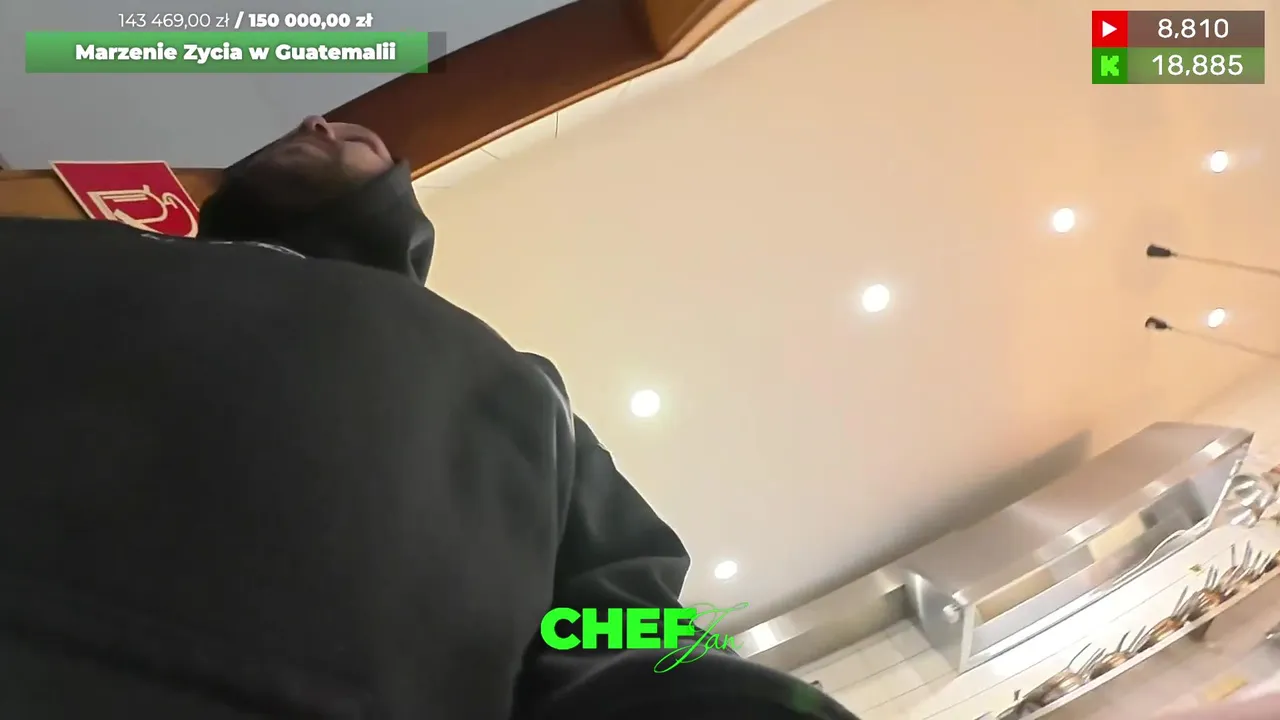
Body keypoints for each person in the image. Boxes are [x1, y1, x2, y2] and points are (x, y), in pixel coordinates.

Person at [0, 116, 857, 720]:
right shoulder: (92, 248)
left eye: (358, 134)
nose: (318, 121)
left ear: (399, 202)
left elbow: (625, 622)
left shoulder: (520, 388)